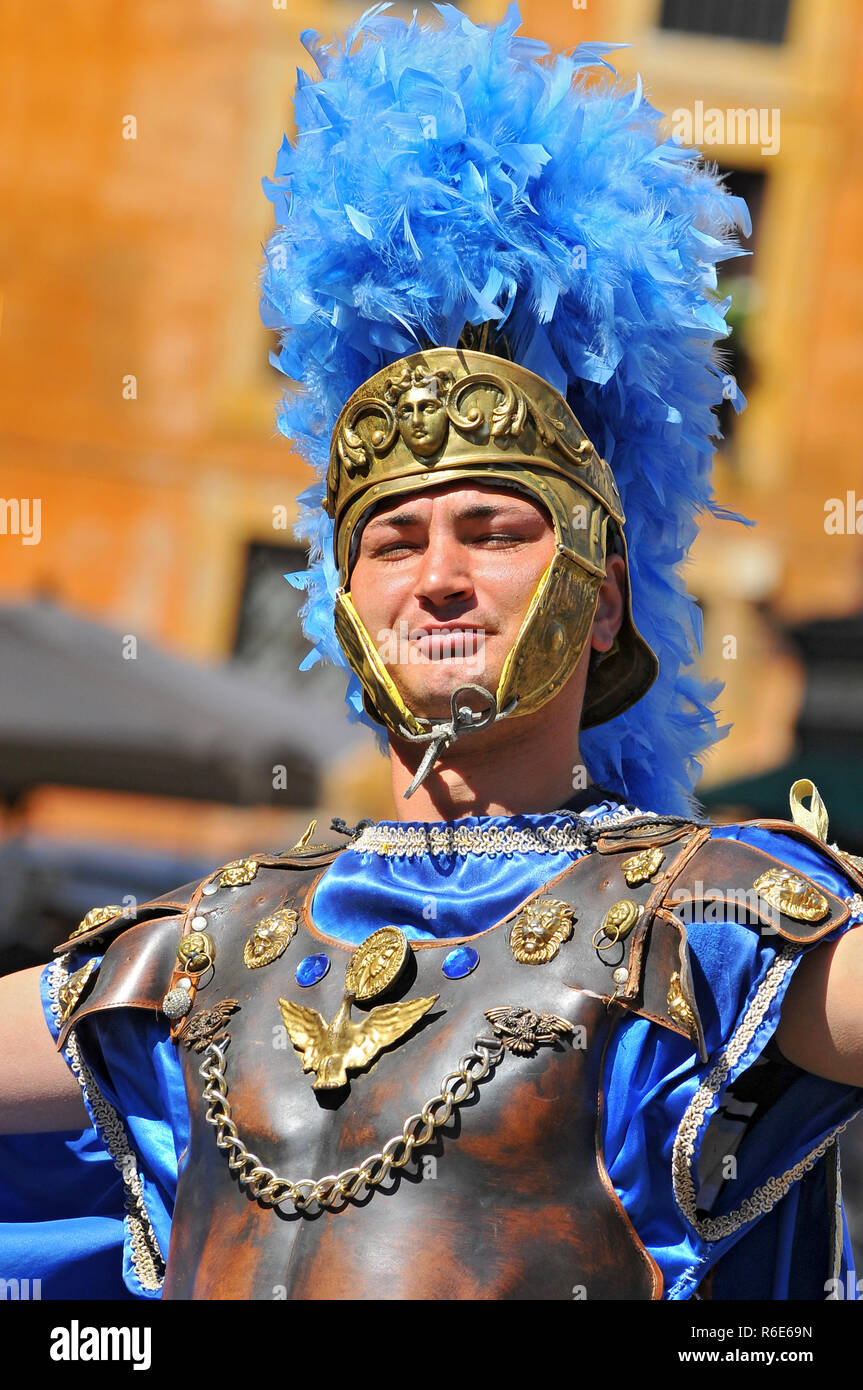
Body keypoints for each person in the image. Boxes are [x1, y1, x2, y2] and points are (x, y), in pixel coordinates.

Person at [2, 4, 863, 1302]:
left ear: (607, 597)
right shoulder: (214, 935)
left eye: (494, 529)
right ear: (345, 604)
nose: (440, 575)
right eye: (392, 539)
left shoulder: (705, 928)